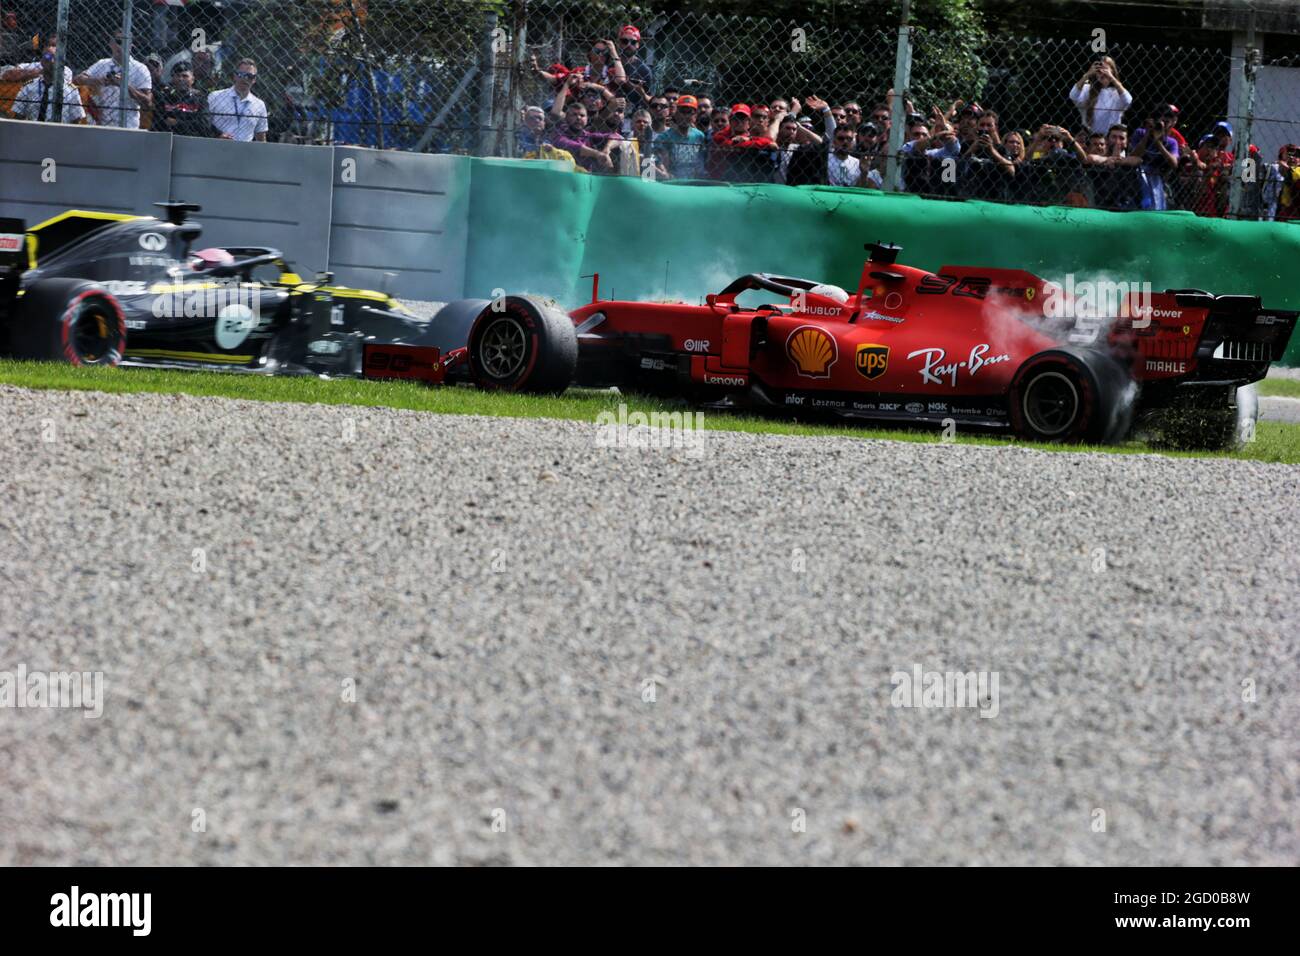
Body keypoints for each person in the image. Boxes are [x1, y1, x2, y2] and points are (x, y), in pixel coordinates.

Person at [76, 30, 152, 129]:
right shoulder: (102, 64)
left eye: (126, 43)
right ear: (111, 44)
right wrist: (97, 81)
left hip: (128, 126)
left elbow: (147, 103)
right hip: (102, 125)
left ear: (131, 46)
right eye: (118, 42)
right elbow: (78, 79)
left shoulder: (140, 68)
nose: (121, 46)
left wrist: (124, 85)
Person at [10, 50, 84, 123]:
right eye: (48, 57)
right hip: (33, 130)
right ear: (42, 61)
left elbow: (76, 120)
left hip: (59, 132)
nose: (52, 61)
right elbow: (18, 116)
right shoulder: (29, 87)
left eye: (56, 58)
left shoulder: (70, 90)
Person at [1128, 107, 1180, 210]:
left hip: (1158, 178)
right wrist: (1148, 134)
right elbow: (1134, 155)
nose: (1163, 125)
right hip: (1137, 176)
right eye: (1159, 121)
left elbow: (1174, 163)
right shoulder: (1140, 133)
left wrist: (1158, 142)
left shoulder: (1171, 142)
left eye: (1166, 122)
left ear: (1171, 123)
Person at [207, 58, 268, 142]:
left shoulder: (259, 105)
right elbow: (204, 124)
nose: (245, 79)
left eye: (249, 76)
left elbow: (261, 137)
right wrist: (217, 135)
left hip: (245, 152)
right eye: (241, 74)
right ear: (234, 76)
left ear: (254, 80)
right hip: (217, 148)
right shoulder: (215, 96)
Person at [1069, 55, 1132, 135]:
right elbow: (1073, 95)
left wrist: (1112, 78)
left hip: (1110, 137)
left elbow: (1128, 100)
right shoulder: (1087, 89)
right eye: (1099, 70)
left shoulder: (1117, 93)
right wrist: (1087, 75)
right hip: (1091, 137)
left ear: (1112, 71)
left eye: (1105, 69)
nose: (1102, 72)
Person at [654, 93, 706, 179]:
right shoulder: (664, 137)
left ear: (695, 115)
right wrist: (666, 175)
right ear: (676, 113)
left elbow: (700, 164)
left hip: (693, 182)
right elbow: (658, 162)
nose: (685, 116)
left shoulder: (699, 136)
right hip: (672, 182)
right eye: (682, 112)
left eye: (689, 112)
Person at [152, 61, 209, 137]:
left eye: (185, 76)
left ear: (192, 79)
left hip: (192, 139)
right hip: (166, 139)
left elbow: (204, 125)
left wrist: (176, 123)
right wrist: (190, 123)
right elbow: (159, 123)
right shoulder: (164, 97)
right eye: (177, 76)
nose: (181, 79)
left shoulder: (200, 99)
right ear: (172, 79)